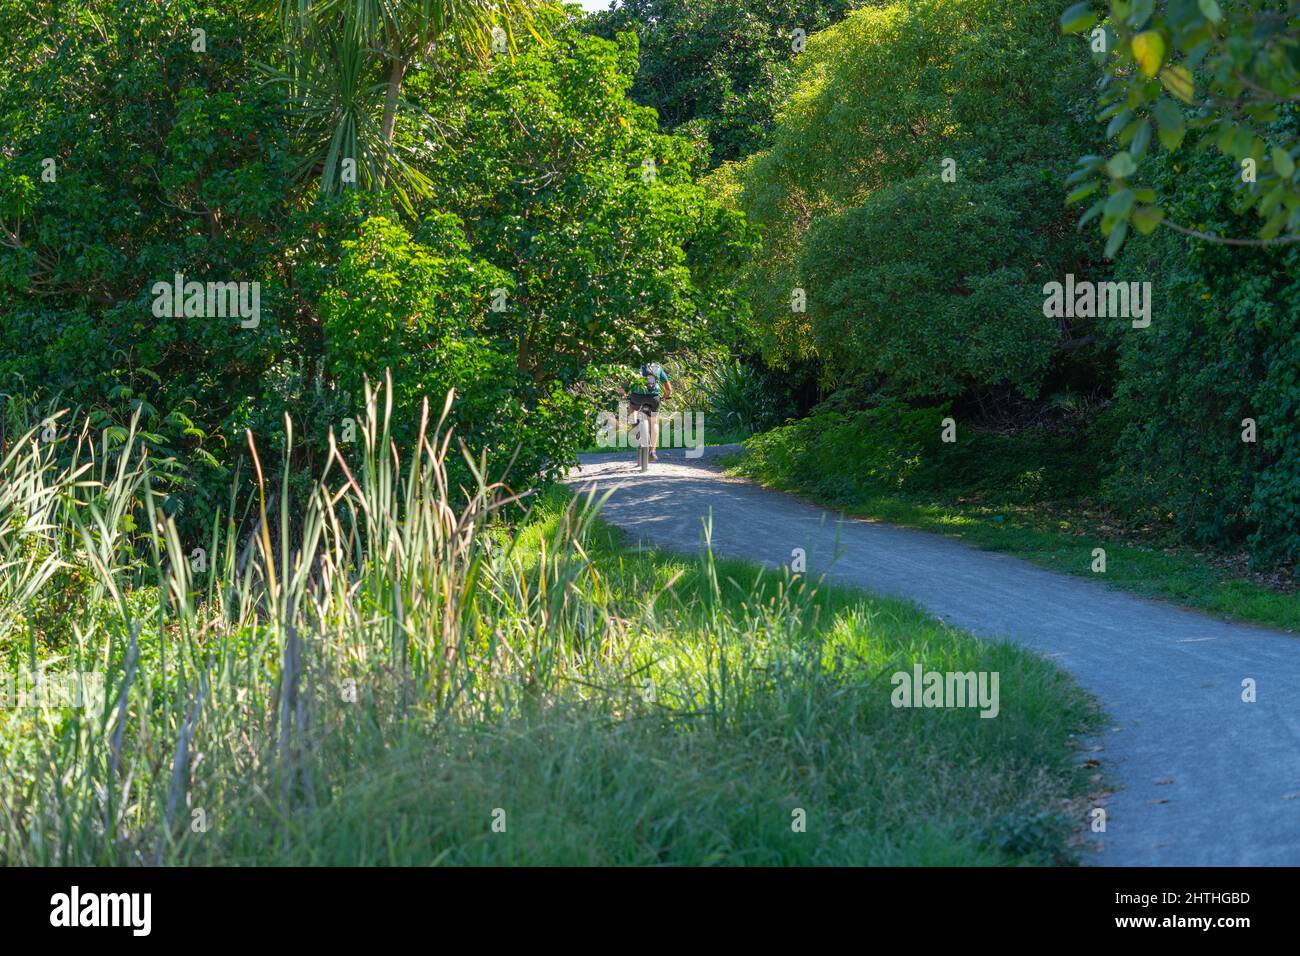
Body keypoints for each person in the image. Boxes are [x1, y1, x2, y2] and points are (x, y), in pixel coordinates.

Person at [621, 362, 672, 461]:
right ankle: (652, 451)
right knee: (654, 422)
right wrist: (665, 396)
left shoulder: (634, 367)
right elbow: (668, 389)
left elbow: (623, 387)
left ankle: (636, 432)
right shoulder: (658, 367)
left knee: (632, 412)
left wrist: (624, 394)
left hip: (636, 397)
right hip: (653, 398)